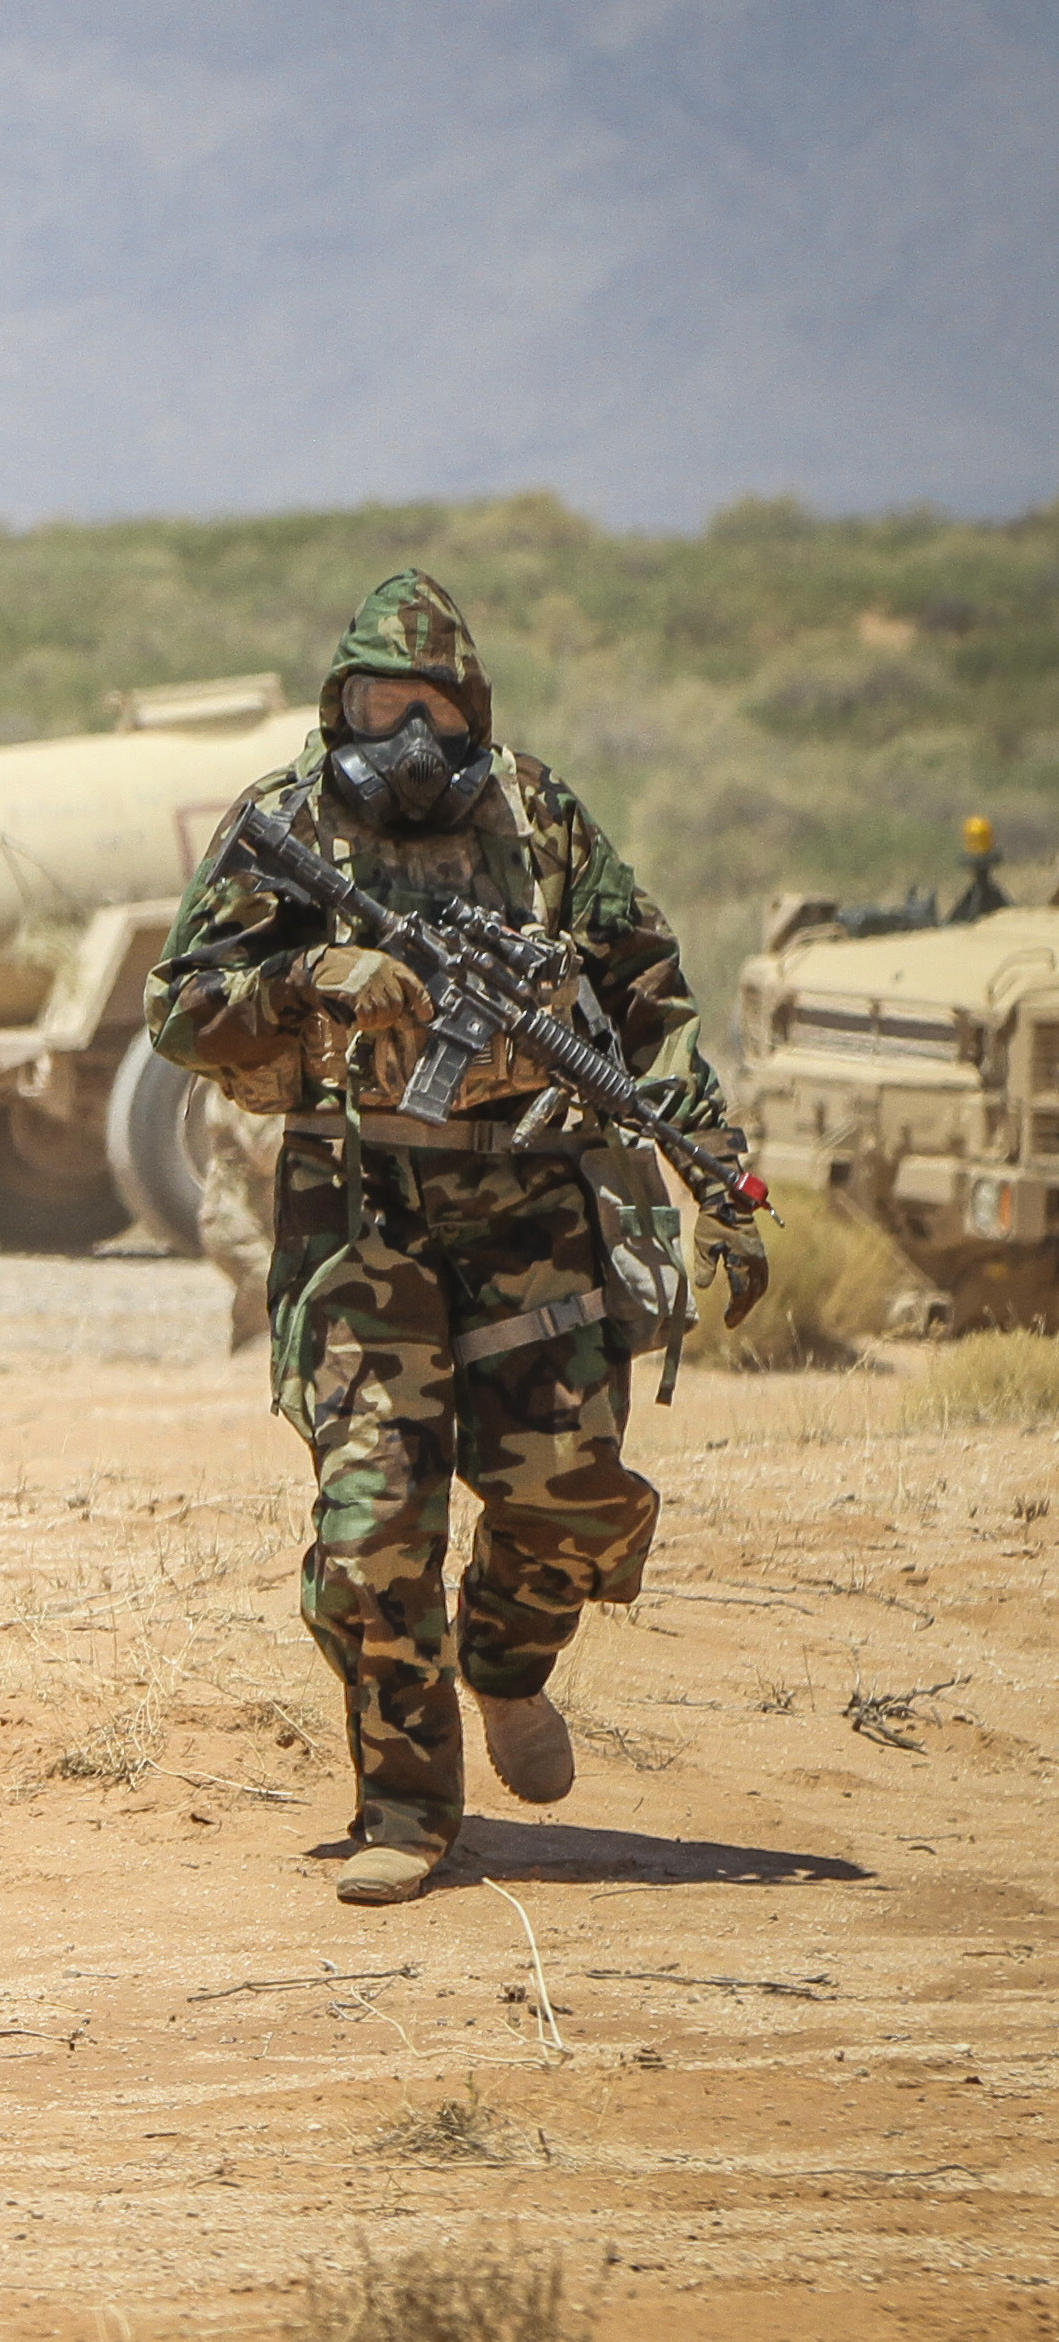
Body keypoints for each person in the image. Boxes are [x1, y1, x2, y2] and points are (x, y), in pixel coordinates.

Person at [146, 570, 764, 1907]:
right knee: (371, 1529)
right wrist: (306, 977)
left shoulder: (538, 818)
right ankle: (407, 1807)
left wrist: (723, 1181)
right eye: (383, 704)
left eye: (435, 705)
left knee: (566, 1497)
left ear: (473, 710)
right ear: (341, 705)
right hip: (357, 1214)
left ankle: (506, 1664)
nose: (411, 734)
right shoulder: (284, 820)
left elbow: (650, 1003)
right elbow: (179, 1008)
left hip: (534, 1210)